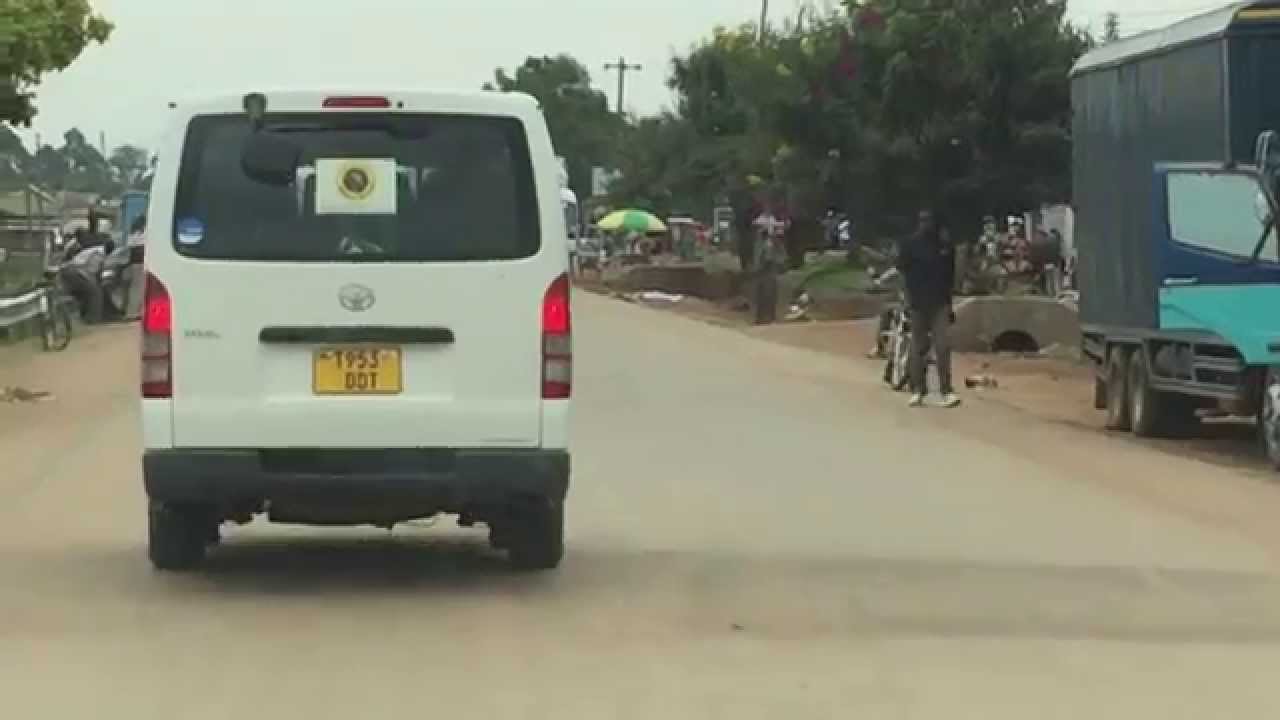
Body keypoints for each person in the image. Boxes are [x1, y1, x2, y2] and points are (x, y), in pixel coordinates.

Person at [896, 209, 960, 408]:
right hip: (918, 302)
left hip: (940, 302)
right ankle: (918, 390)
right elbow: (903, 274)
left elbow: (949, 278)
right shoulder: (909, 245)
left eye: (929, 220)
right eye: (923, 220)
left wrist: (950, 305)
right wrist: (906, 300)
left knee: (943, 346)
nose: (926, 224)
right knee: (918, 346)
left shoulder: (945, 246)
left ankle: (946, 390)